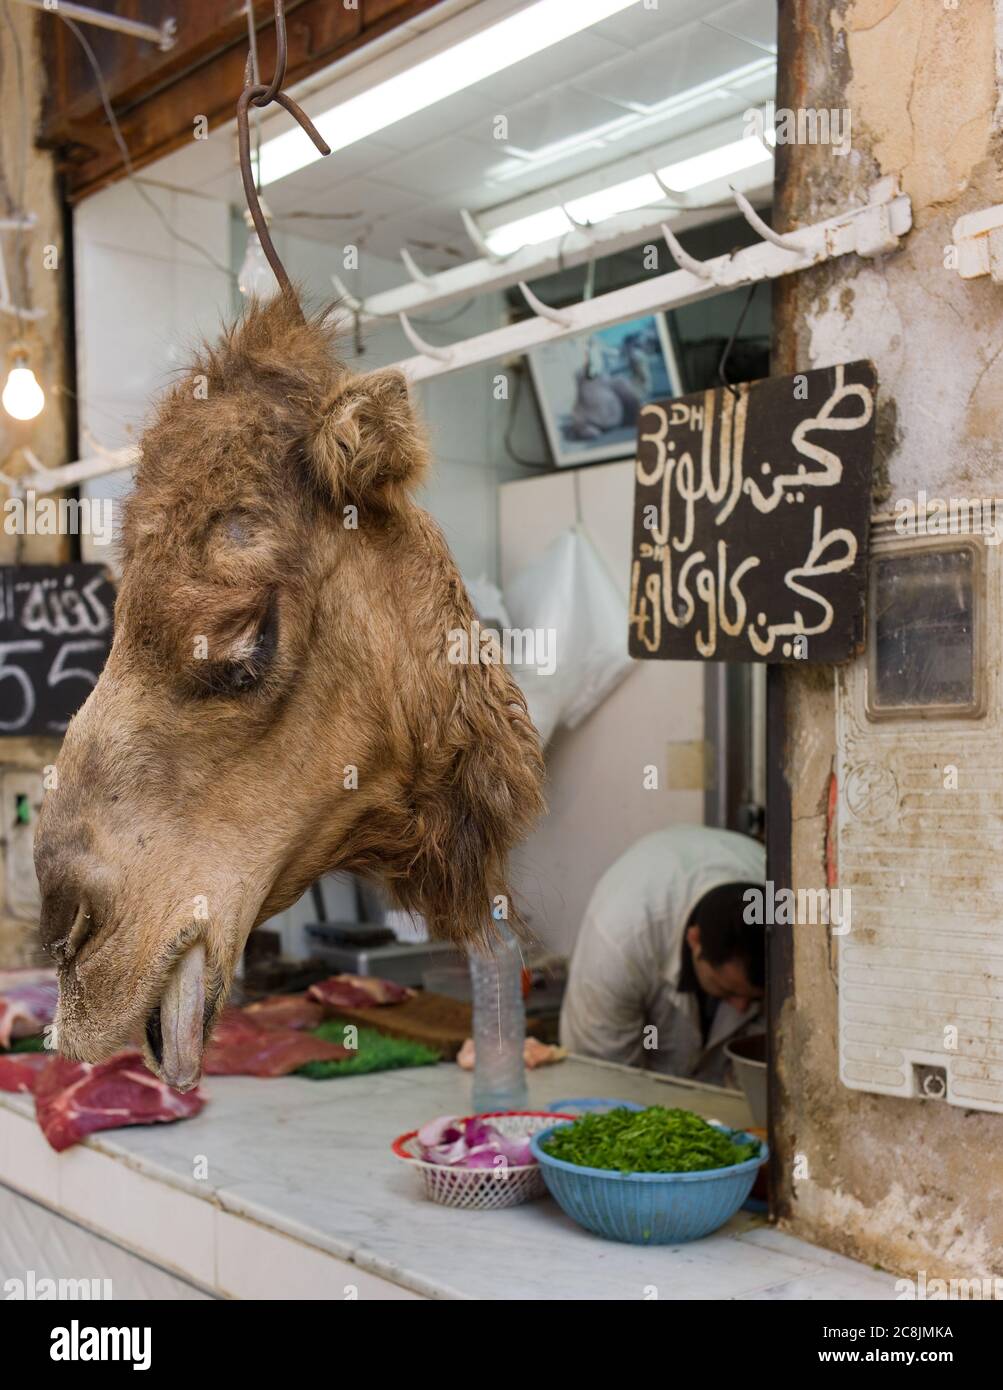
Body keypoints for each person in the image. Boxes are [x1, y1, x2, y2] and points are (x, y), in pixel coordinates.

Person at [559, 824, 765, 1085]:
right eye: (728, 991)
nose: (742, 1007)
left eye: (755, 998)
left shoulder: (788, 918)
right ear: (695, 939)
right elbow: (603, 1076)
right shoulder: (618, 944)